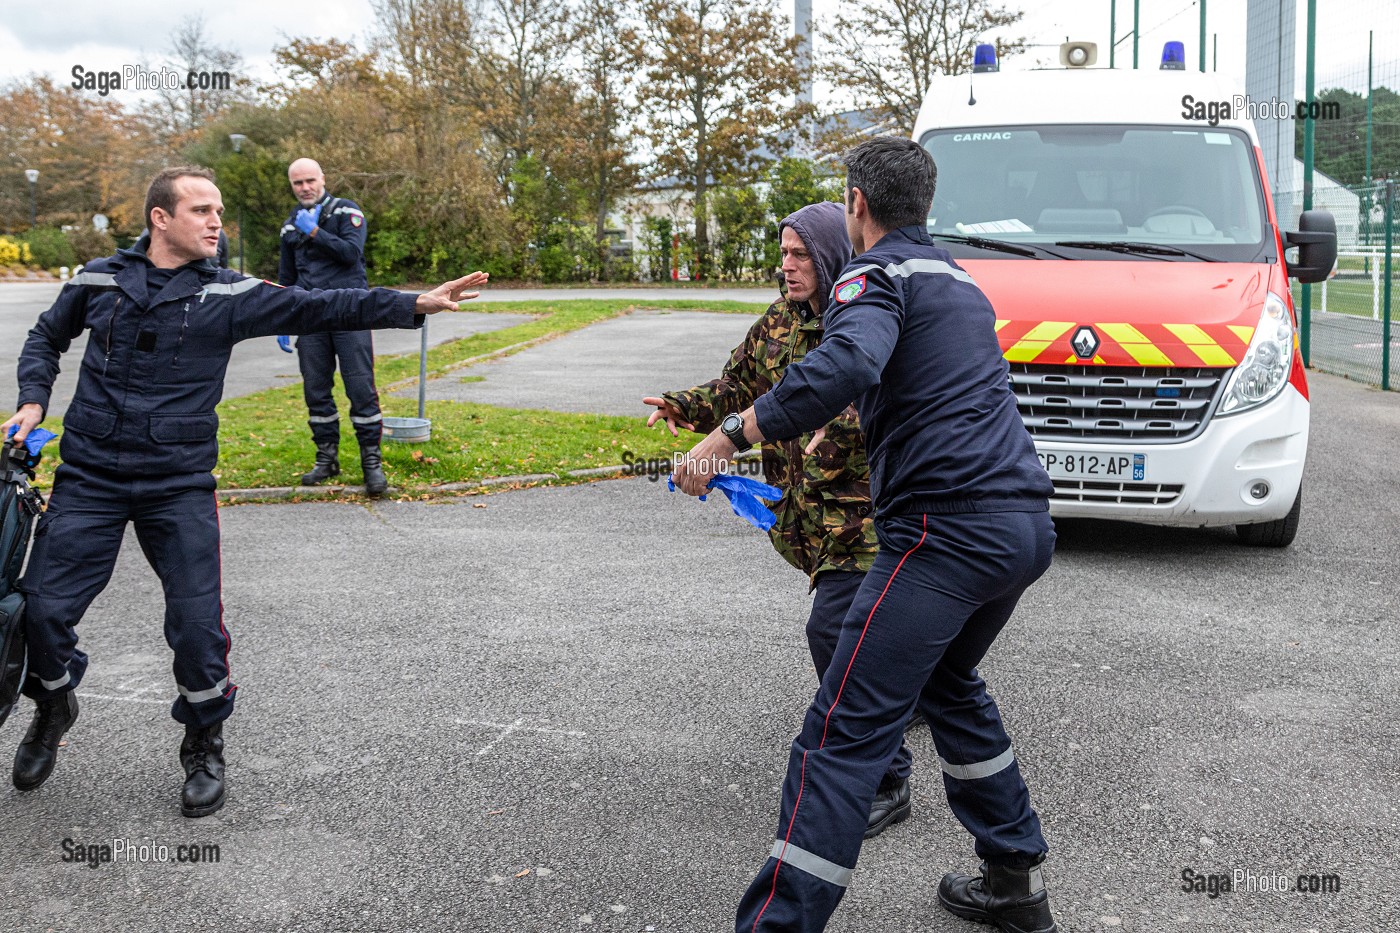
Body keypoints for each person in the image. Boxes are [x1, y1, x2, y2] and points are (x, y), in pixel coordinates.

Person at [4, 165, 487, 818]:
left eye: (219, 210)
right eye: (201, 209)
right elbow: (44, 337)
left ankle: (203, 741)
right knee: (37, 611)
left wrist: (414, 303)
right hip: (89, 476)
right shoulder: (98, 277)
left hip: (177, 483)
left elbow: (323, 305)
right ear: (160, 218)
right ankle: (55, 704)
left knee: (198, 627)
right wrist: (33, 400)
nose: (215, 221)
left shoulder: (228, 294)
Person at [672, 137, 1060, 933]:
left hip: (943, 535)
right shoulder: (959, 280)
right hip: (1023, 526)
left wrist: (730, 435)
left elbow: (849, 362)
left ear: (856, 203)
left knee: (840, 734)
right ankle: (1014, 883)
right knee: (949, 685)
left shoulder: (872, 276)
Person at [643, 200, 918, 838]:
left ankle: (888, 775)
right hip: (812, 519)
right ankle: (909, 692)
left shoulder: (868, 319)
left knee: (835, 630)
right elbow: (738, 386)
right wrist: (686, 404)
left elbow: (883, 403)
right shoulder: (780, 321)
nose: (787, 266)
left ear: (828, 255)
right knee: (873, 639)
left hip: (873, 514)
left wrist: (828, 426)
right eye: (783, 254)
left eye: (799, 255)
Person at [278, 157, 388, 495]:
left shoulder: (345, 212)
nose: (305, 188)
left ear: (323, 179)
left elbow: (351, 254)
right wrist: (281, 316)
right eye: (298, 183)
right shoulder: (289, 226)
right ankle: (327, 458)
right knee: (315, 390)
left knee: (359, 387)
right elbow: (287, 275)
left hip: (349, 312)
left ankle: (372, 461)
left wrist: (315, 232)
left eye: (310, 180)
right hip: (310, 317)